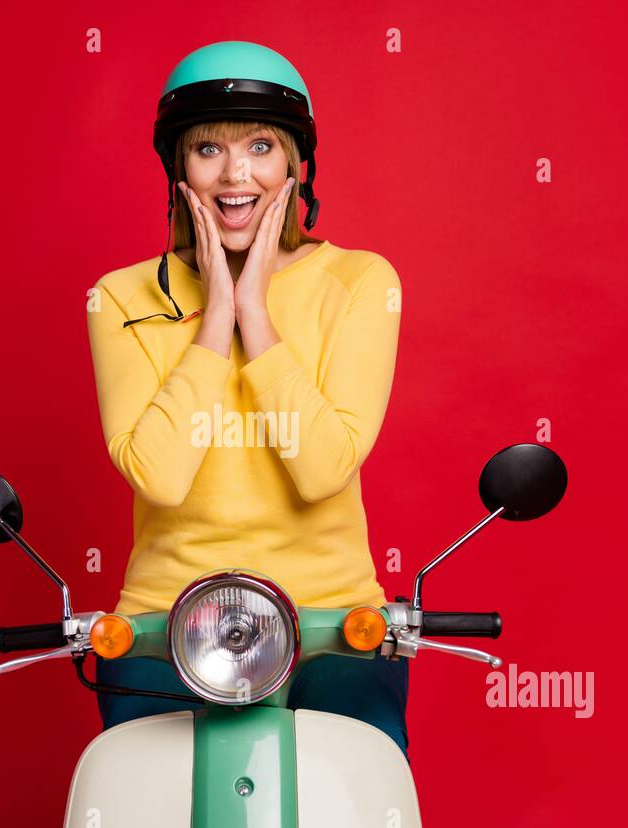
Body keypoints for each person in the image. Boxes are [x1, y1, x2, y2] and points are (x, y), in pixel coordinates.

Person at [84, 41, 410, 761]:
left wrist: (256, 314)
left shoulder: (360, 282)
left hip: (332, 628)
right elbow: (161, 477)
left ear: (297, 165)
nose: (237, 174)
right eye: (208, 148)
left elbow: (322, 470)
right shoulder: (121, 297)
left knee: (357, 824)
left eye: (262, 146)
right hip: (160, 629)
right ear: (177, 168)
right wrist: (214, 321)